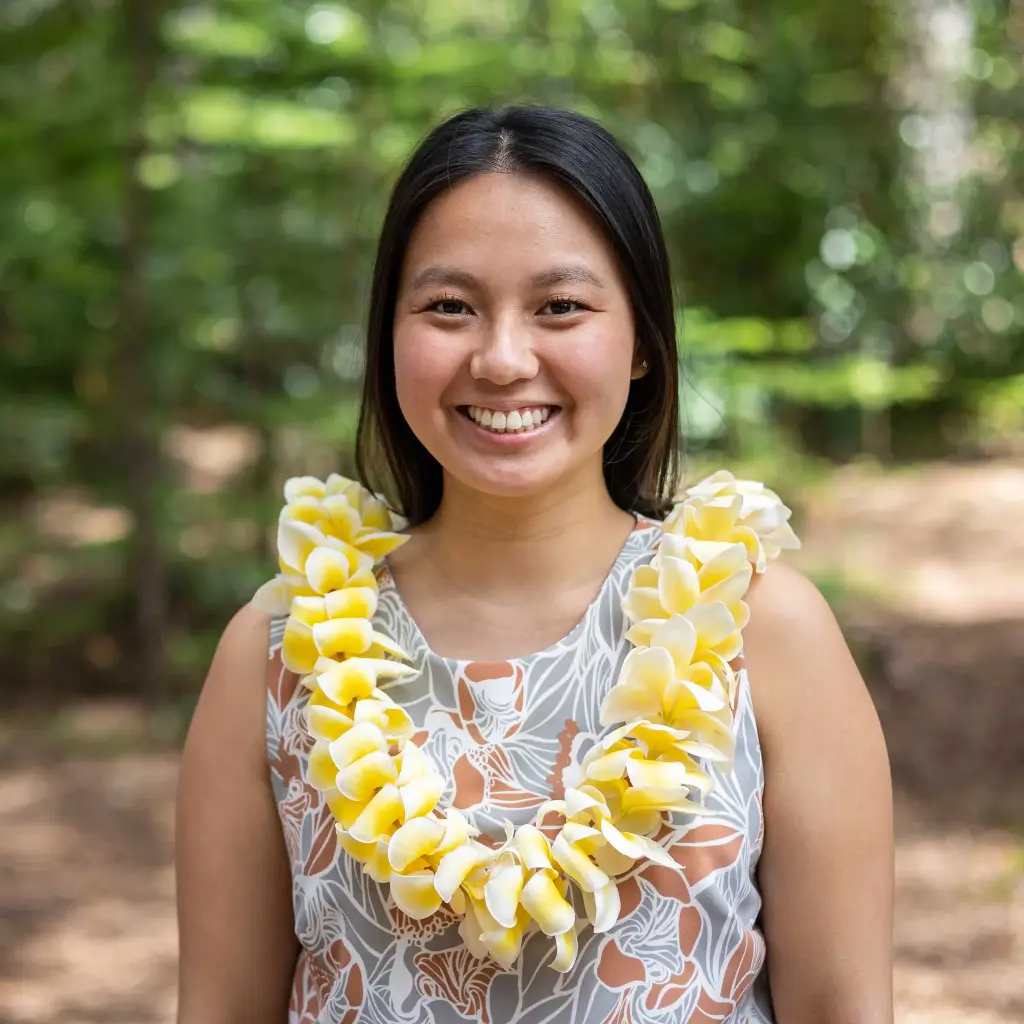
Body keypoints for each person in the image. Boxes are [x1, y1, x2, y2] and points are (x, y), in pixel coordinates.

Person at [176, 105, 894, 1024]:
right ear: (388, 335)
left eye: (560, 307)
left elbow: (843, 1007)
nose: (503, 359)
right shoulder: (278, 656)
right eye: (449, 307)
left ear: (643, 343)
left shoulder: (762, 631)